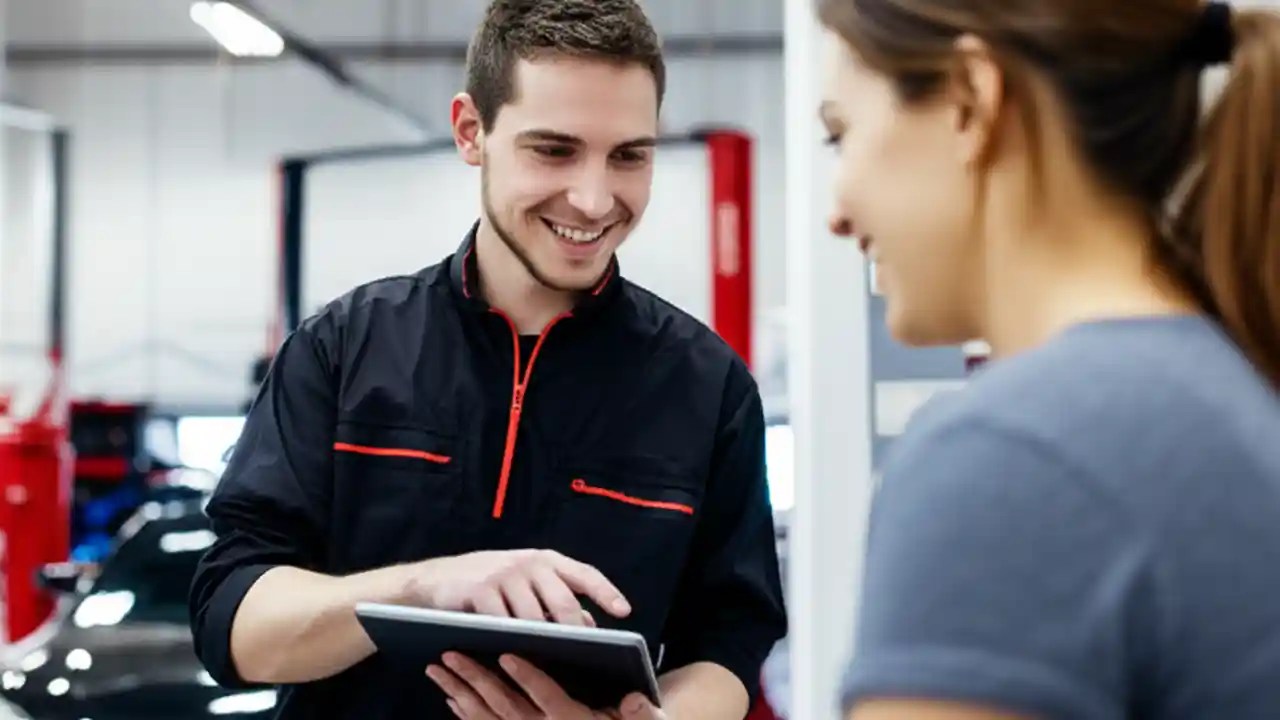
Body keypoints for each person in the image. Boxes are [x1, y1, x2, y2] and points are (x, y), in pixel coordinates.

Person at [188, 1, 787, 718]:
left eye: (629, 155)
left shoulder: (708, 386)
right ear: (472, 131)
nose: (595, 200)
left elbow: (727, 646)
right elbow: (233, 624)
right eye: (554, 150)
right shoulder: (343, 351)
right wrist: (422, 590)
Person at [815, 0, 1280, 718]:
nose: (837, 210)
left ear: (972, 99)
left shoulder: (1017, 453)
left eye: (839, 135)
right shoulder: (1226, 390)